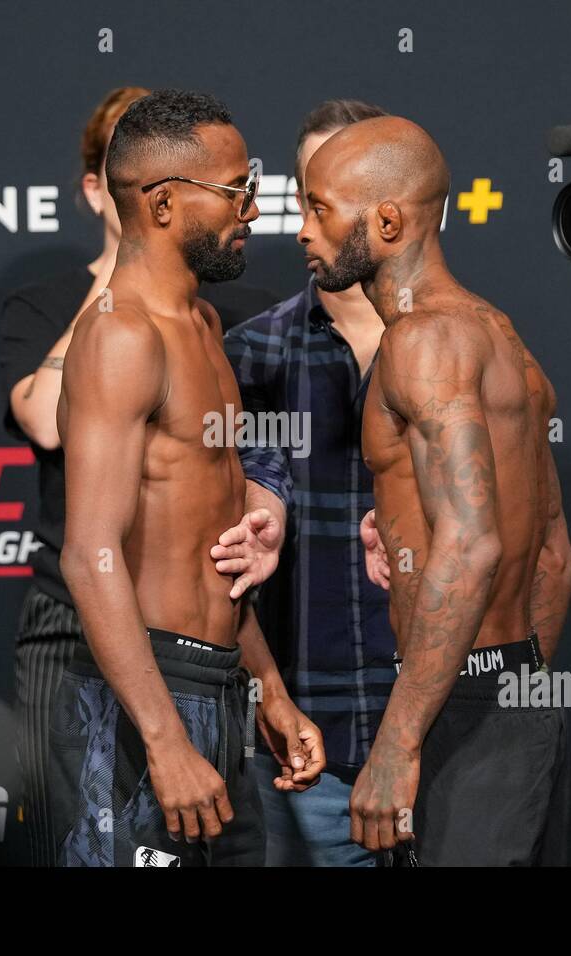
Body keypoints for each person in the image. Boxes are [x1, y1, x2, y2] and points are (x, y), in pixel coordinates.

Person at [1, 86, 280, 865]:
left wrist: (270, 690)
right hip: (142, 697)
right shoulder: (122, 336)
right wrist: (163, 740)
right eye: (236, 190)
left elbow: (216, 537)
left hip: (219, 688)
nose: (252, 209)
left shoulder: (203, 324)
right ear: (161, 204)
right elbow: (88, 554)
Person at [298, 115, 571, 865]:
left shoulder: (418, 341)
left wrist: (399, 740)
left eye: (318, 208)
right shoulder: (500, 334)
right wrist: (519, 701)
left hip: (458, 708)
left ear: (386, 220)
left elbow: (472, 543)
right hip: (519, 696)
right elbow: (554, 561)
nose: (302, 230)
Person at [212, 98, 397, 866]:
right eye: (312, 188)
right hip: (299, 753)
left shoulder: (472, 347)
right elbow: (229, 534)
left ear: (394, 206)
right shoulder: (246, 354)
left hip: (448, 741)